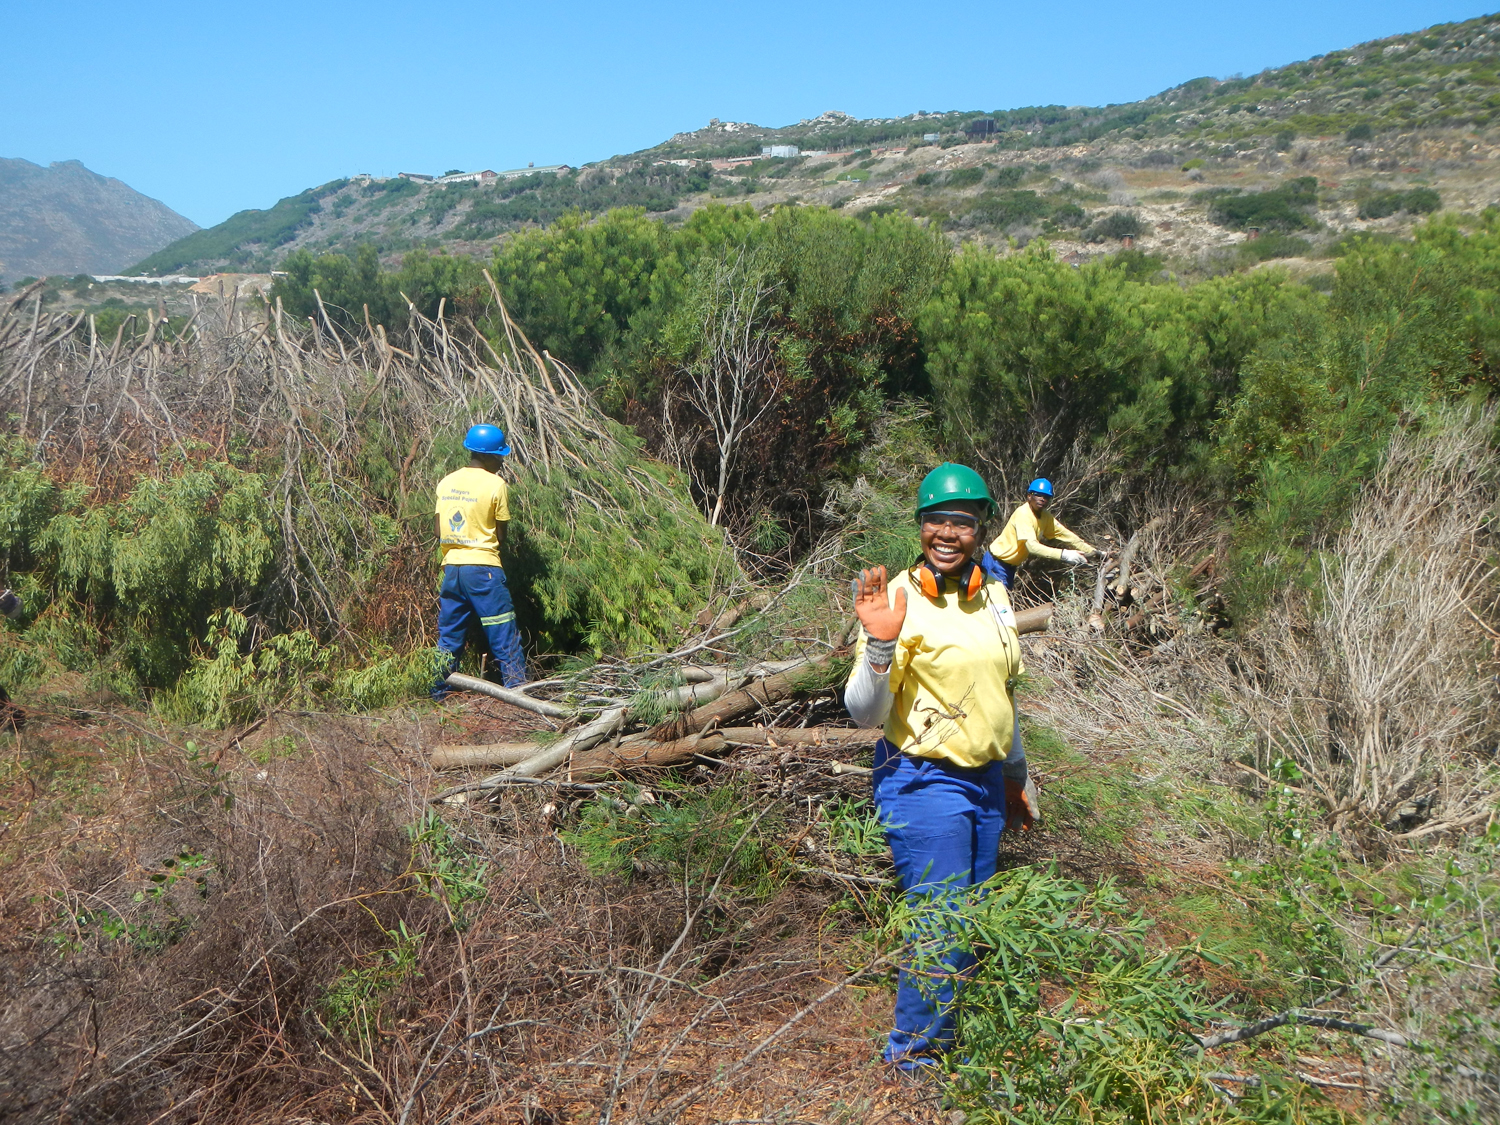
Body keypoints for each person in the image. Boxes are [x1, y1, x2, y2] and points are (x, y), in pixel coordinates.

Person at [843, 462, 1038, 1073]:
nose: (948, 532)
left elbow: (1002, 696)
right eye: (936, 520)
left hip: (984, 784)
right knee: (941, 926)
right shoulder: (898, 599)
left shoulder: (995, 597)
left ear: (981, 527)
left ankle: (955, 1047)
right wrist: (879, 644)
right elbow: (864, 715)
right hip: (924, 782)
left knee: (972, 922)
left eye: (962, 520)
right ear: (921, 526)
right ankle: (914, 1070)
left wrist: (1016, 776)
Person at [431, 424, 529, 698]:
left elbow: (438, 531)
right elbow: (501, 535)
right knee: (503, 633)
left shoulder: (447, 481)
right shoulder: (495, 485)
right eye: (499, 455)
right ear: (486, 456)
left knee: (449, 637)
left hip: (452, 569)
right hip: (484, 570)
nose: (501, 461)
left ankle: (437, 695)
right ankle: (519, 696)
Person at [981, 477, 1101, 589]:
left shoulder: (1045, 517)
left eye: (1046, 497)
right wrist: (1065, 555)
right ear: (1029, 496)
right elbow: (1032, 547)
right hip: (996, 563)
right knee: (998, 604)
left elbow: (1067, 535)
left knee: (1001, 604)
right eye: (1038, 495)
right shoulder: (1023, 514)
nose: (1042, 499)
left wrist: (1094, 552)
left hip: (1009, 567)